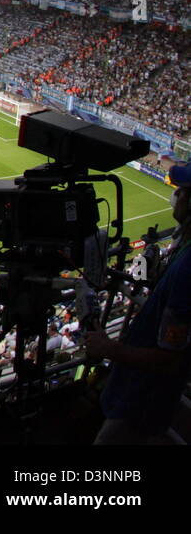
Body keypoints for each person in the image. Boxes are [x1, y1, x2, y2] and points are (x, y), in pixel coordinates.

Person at [87, 163, 191, 444]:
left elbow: (170, 359)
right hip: (144, 392)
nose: (176, 195)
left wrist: (109, 349)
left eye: (182, 191)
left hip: (145, 396)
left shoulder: (187, 269)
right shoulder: (183, 252)